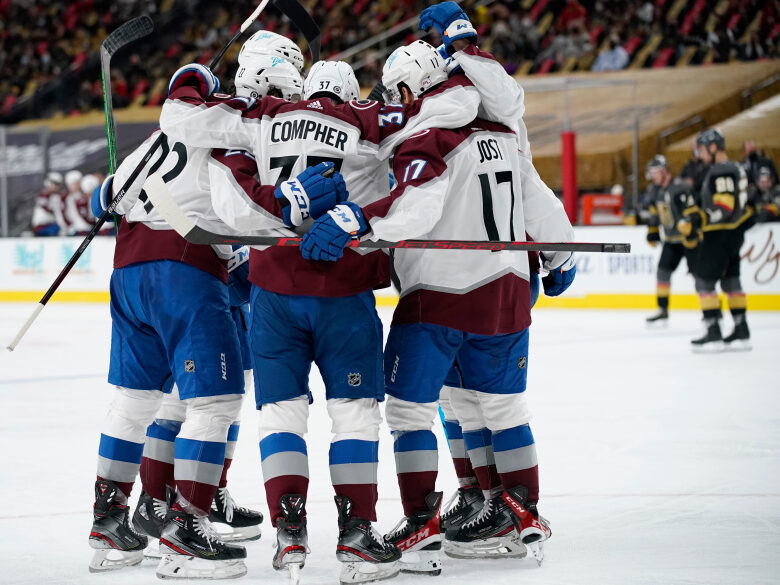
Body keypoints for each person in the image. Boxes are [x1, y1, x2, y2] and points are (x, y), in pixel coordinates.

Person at [298, 3, 576, 571]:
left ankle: (421, 520)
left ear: (419, 83)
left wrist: (358, 220)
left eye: (399, 90)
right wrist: (560, 252)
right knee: (498, 405)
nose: (396, 101)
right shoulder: (502, 129)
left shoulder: (429, 137)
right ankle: (518, 510)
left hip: (440, 299)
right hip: (508, 291)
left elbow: (414, 209)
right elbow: (540, 199)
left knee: (408, 411)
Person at [86, 36, 337, 579]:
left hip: (129, 273)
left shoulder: (164, 133)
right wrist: (290, 205)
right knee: (217, 401)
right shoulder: (236, 127)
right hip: (185, 272)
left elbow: (105, 197)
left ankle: (110, 518)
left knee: (134, 399)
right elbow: (238, 212)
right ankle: (186, 528)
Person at [680, 129, 752, 351]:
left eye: (701, 150)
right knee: (731, 281)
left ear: (713, 148)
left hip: (718, 234)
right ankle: (741, 329)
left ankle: (713, 330)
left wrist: (699, 218)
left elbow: (724, 207)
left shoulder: (721, 170)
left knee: (703, 281)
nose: (699, 155)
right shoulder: (735, 167)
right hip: (733, 233)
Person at [643, 155, 699, 324]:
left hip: (688, 240)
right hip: (670, 241)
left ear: (664, 170)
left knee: (700, 276)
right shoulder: (654, 191)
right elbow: (654, 213)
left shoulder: (680, 187)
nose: (652, 177)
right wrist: (652, 230)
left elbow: (693, 210)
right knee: (662, 273)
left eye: (655, 172)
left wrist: (691, 226)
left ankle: (712, 311)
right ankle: (663, 309)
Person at [32, 171, 67, 236]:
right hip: (41, 228)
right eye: (54, 184)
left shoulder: (56, 197)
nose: (56, 187)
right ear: (48, 183)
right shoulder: (43, 195)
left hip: (51, 225)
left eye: (58, 184)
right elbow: (55, 213)